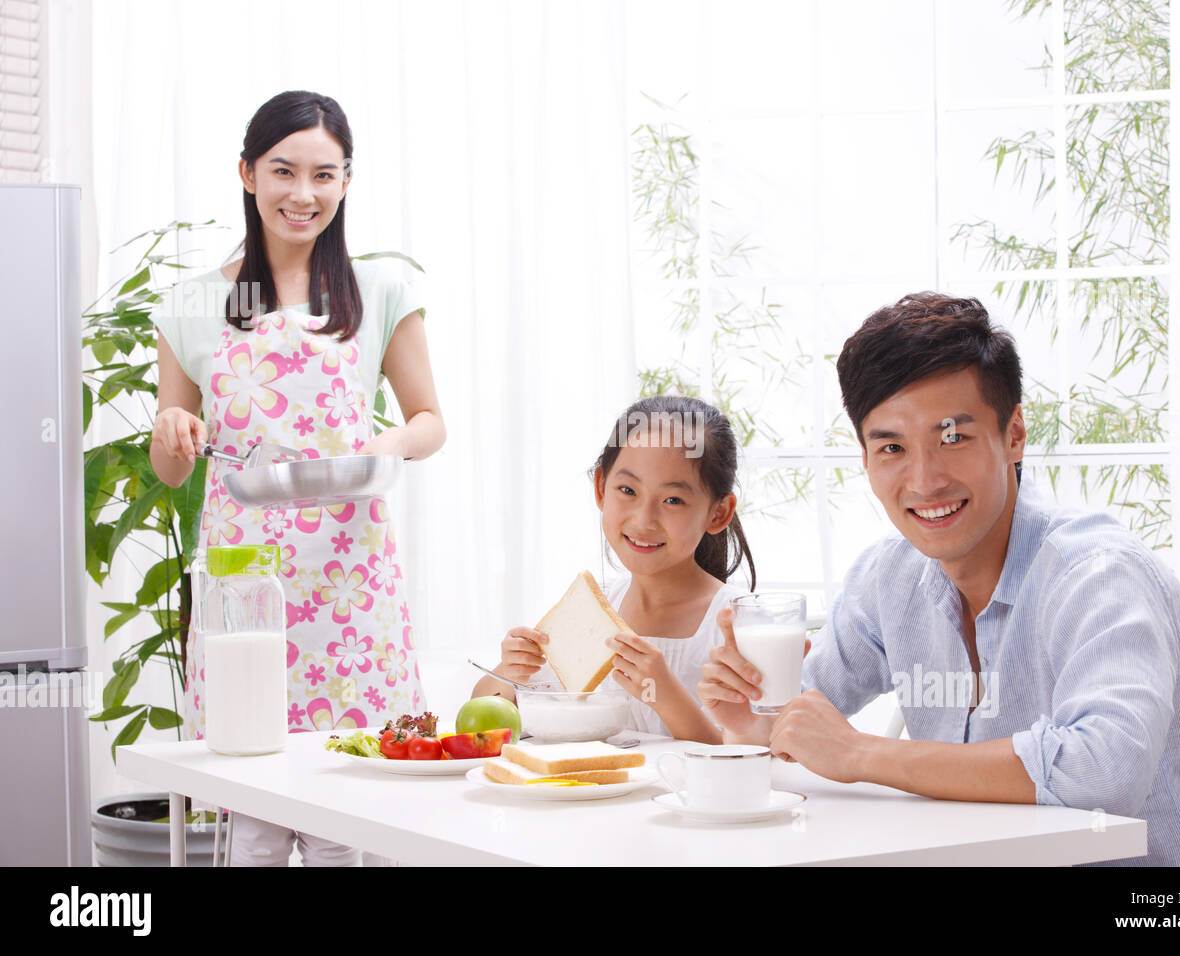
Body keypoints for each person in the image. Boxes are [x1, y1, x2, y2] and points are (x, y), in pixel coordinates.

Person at [699, 292, 1180, 866]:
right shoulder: (888, 579)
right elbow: (802, 720)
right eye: (892, 447)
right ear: (865, 459)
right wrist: (756, 720)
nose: (925, 479)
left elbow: (1102, 771)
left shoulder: (1100, 577)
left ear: (1014, 434)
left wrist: (862, 754)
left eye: (953, 438)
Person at [150, 90, 446, 865]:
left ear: (347, 181)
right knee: (252, 805)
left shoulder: (378, 291)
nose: (303, 194)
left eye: (324, 174)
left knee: (346, 803)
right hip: (246, 578)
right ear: (247, 174)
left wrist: (387, 443)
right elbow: (169, 456)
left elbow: (430, 422)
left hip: (351, 579)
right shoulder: (194, 303)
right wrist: (174, 432)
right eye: (283, 171)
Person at [473, 396, 754, 742]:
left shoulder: (738, 625)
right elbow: (484, 724)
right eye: (627, 490)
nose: (643, 519)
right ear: (601, 489)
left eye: (673, 500)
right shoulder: (591, 610)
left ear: (718, 513)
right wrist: (508, 674)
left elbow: (749, 759)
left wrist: (663, 694)